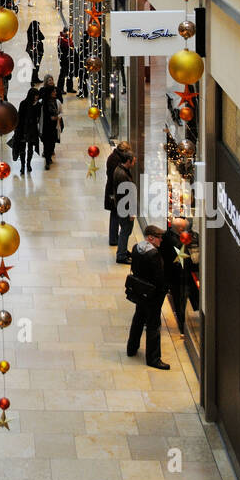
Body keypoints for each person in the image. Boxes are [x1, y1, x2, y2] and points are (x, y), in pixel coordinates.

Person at [126, 225, 170, 369]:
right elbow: (159, 277)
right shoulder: (154, 255)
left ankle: (131, 348)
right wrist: (164, 290)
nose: (161, 240)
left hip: (140, 292)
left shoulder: (135, 248)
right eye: (159, 237)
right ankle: (153, 358)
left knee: (138, 318)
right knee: (153, 325)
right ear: (150, 237)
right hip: (153, 295)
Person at [105, 141, 133, 246]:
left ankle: (114, 237)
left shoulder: (113, 156)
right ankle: (113, 239)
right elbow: (115, 178)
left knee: (114, 214)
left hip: (112, 190)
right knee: (115, 214)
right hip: (114, 192)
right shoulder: (117, 161)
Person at [113, 150, 137, 263]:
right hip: (124, 209)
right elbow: (126, 196)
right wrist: (131, 212)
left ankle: (122, 250)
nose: (134, 164)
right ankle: (121, 255)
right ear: (128, 161)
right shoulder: (122, 175)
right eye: (133, 162)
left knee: (125, 231)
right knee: (125, 231)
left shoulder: (120, 170)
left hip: (121, 207)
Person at [10, 86, 41, 174]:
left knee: (30, 148)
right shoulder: (23, 103)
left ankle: (28, 164)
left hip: (33, 129)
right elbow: (19, 116)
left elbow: (38, 117)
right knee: (22, 148)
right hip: (23, 129)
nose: (37, 97)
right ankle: (22, 166)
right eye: (35, 95)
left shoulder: (38, 105)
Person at [39, 83, 61, 169]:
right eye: (53, 92)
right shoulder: (43, 103)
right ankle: (47, 161)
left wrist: (57, 117)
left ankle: (49, 156)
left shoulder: (57, 102)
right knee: (46, 144)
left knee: (52, 143)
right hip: (45, 126)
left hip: (54, 127)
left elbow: (60, 113)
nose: (55, 93)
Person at [56, 28, 75, 96]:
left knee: (70, 73)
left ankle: (69, 88)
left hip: (69, 59)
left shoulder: (67, 39)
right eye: (68, 32)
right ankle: (60, 88)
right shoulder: (61, 39)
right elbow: (69, 45)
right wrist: (70, 39)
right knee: (63, 74)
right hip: (64, 60)